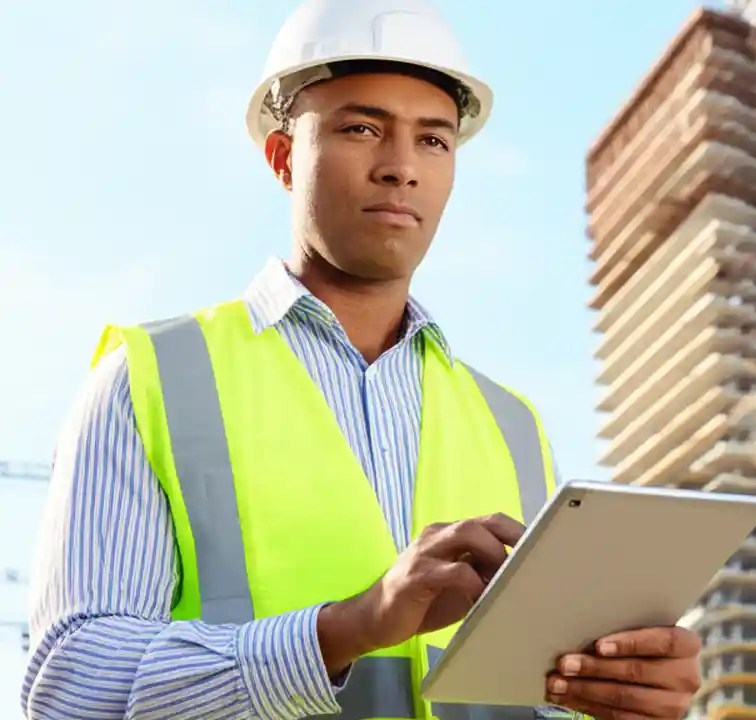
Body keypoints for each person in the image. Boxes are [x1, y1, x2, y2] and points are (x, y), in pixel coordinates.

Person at [21, 1, 702, 718]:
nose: (401, 168)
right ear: (283, 157)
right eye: (361, 128)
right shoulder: (151, 378)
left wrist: (620, 692)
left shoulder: (513, 426)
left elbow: (533, 698)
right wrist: (350, 626)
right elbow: (70, 690)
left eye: (434, 141)